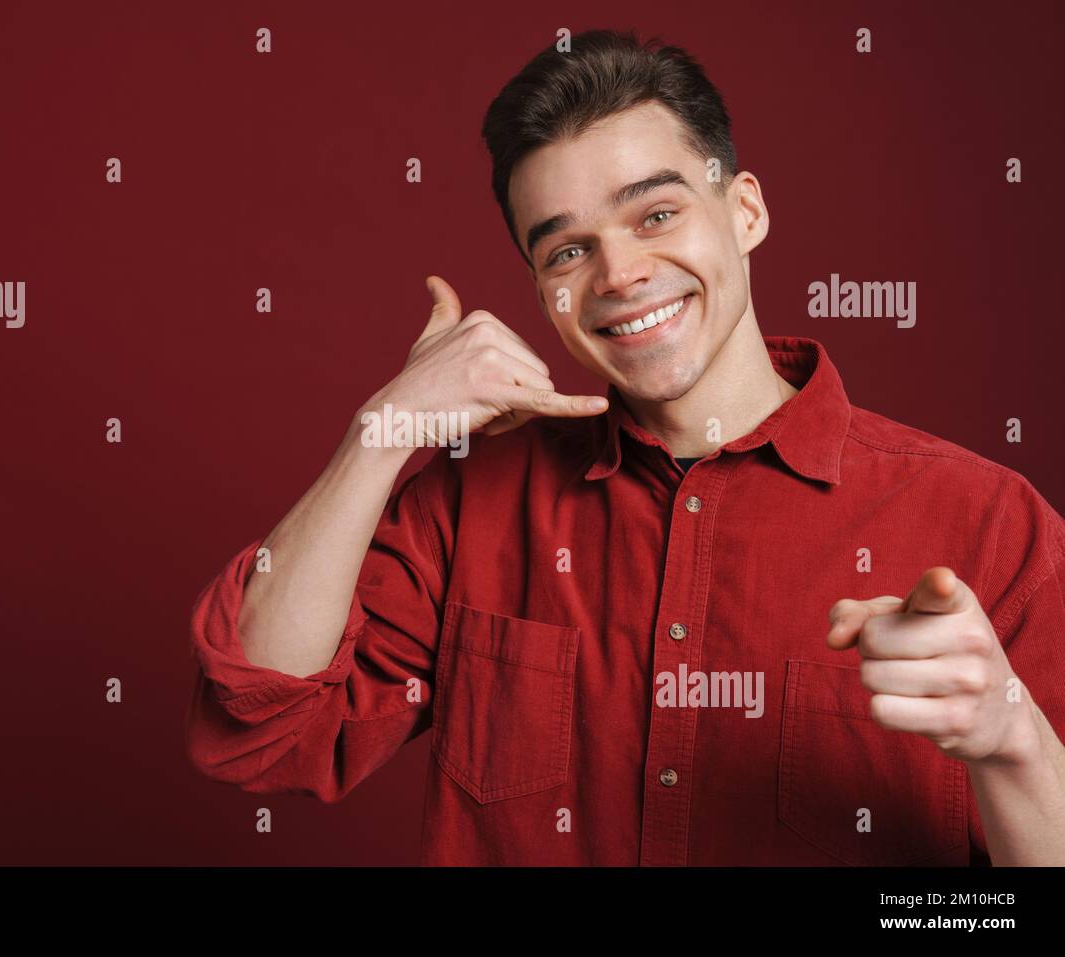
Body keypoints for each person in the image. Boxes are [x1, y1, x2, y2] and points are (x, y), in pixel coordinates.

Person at [184, 28, 1065, 865]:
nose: (618, 275)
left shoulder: (989, 523)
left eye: (655, 214)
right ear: (539, 287)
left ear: (746, 209)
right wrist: (383, 431)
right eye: (567, 250)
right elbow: (262, 731)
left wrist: (1013, 739)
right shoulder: (470, 502)